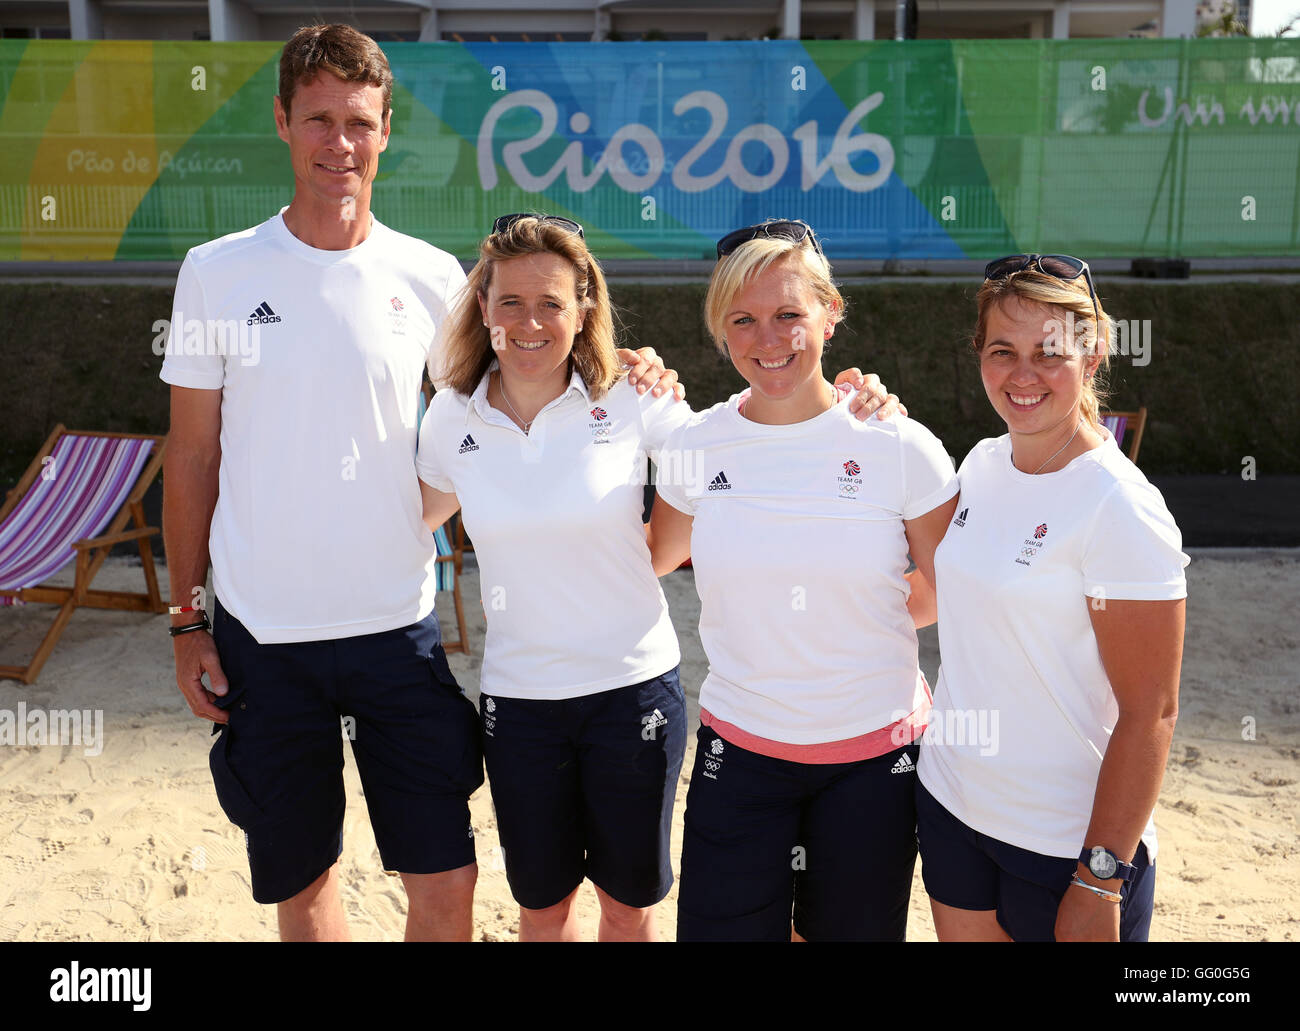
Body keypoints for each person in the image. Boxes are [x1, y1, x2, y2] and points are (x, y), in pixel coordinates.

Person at [159, 25, 677, 942]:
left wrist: (633, 370)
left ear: (386, 130)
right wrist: (187, 620)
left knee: (445, 881)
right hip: (262, 635)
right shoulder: (217, 273)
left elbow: (512, 400)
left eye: (358, 121)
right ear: (282, 122)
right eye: (318, 119)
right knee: (304, 881)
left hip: (397, 633)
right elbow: (193, 457)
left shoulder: (435, 279)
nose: (339, 143)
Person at [415, 214, 902, 941]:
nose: (528, 321)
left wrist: (856, 408)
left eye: (551, 302)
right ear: (481, 307)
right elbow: (405, 526)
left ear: (584, 310)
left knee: (627, 907)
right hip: (519, 703)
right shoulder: (451, 418)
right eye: (508, 301)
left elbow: (752, 437)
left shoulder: (634, 396)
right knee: (541, 910)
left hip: (632, 694)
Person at [647, 219, 959, 941]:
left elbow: (950, 590)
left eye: (790, 313)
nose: (769, 338)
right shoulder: (696, 445)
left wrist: (854, 622)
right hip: (742, 753)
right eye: (744, 320)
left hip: (874, 760)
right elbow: (651, 555)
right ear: (720, 331)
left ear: (831, 313)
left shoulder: (899, 445)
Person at [914, 254, 1188, 942]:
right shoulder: (978, 463)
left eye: (1049, 352)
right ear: (979, 353)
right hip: (953, 806)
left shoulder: (1120, 506)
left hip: (1064, 843)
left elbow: (1151, 712)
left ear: (1094, 354)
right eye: (1003, 350)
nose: (1022, 374)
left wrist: (1100, 876)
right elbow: (940, 600)